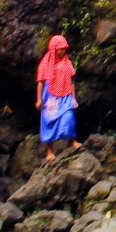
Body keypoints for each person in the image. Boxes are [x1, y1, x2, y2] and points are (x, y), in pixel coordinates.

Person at [35, 34, 82, 162]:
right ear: (55, 49)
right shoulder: (46, 62)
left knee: (69, 117)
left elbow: (71, 81)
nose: (63, 51)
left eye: (64, 48)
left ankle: (72, 141)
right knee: (49, 122)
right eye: (61, 48)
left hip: (65, 95)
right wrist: (39, 99)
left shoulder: (67, 62)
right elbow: (40, 81)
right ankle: (49, 150)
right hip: (50, 98)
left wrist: (73, 98)